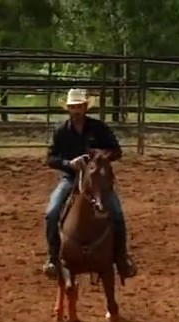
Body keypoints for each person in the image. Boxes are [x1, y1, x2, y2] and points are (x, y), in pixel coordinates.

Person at [43, 88, 136, 280]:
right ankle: (53, 258)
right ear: (68, 109)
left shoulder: (99, 128)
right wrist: (69, 164)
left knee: (117, 213)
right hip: (71, 178)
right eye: (73, 107)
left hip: (97, 181)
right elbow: (50, 158)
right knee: (52, 213)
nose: (76, 110)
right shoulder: (61, 131)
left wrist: (102, 155)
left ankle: (122, 258)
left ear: (85, 107)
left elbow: (117, 151)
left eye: (79, 106)